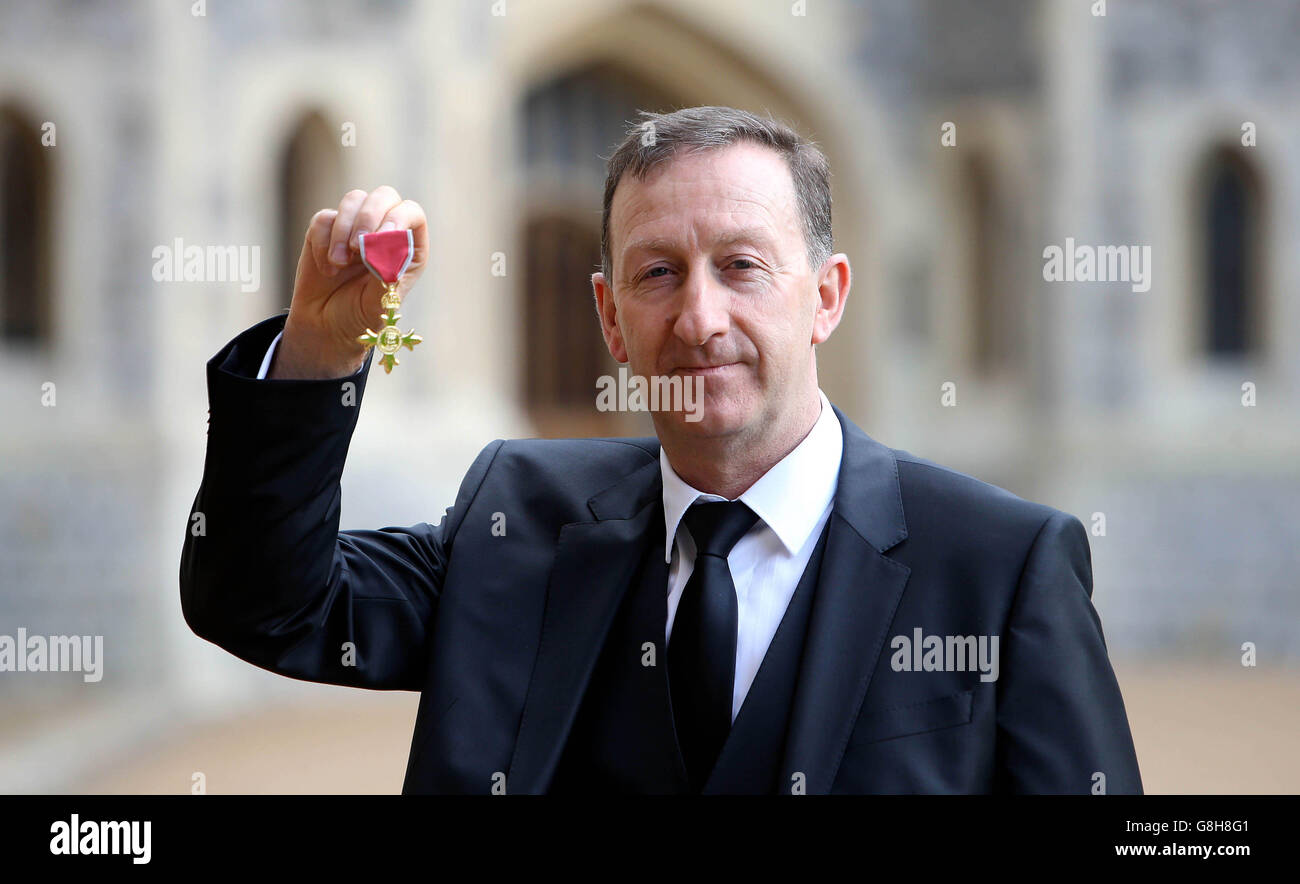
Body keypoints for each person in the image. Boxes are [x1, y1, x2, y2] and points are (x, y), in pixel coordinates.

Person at [180, 105, 1142, 794]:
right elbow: (265, 604)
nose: (699, 316)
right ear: (608, 316)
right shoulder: (517, 520)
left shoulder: (1002, 565)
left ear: (827, 296)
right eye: (657, 273)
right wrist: (318, 347)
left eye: (742, 266)